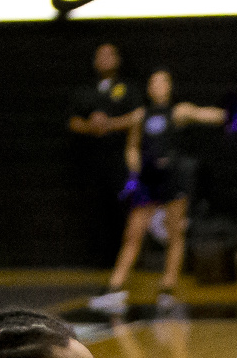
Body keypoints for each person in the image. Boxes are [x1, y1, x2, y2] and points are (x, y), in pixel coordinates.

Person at [92, 68, 228, 314]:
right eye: (153, 82)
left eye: (163, 81)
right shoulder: (141, 116)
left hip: (172, 178)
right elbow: (131, 146)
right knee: (133, 234)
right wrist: (135, 168)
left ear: (170, 86)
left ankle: (168, 288)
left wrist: (231, 115)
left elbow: (205, 114)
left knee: (174, 234)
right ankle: (116, 288)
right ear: (149, 88)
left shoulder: (178, 111)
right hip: (148, 181)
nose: (158, 86)